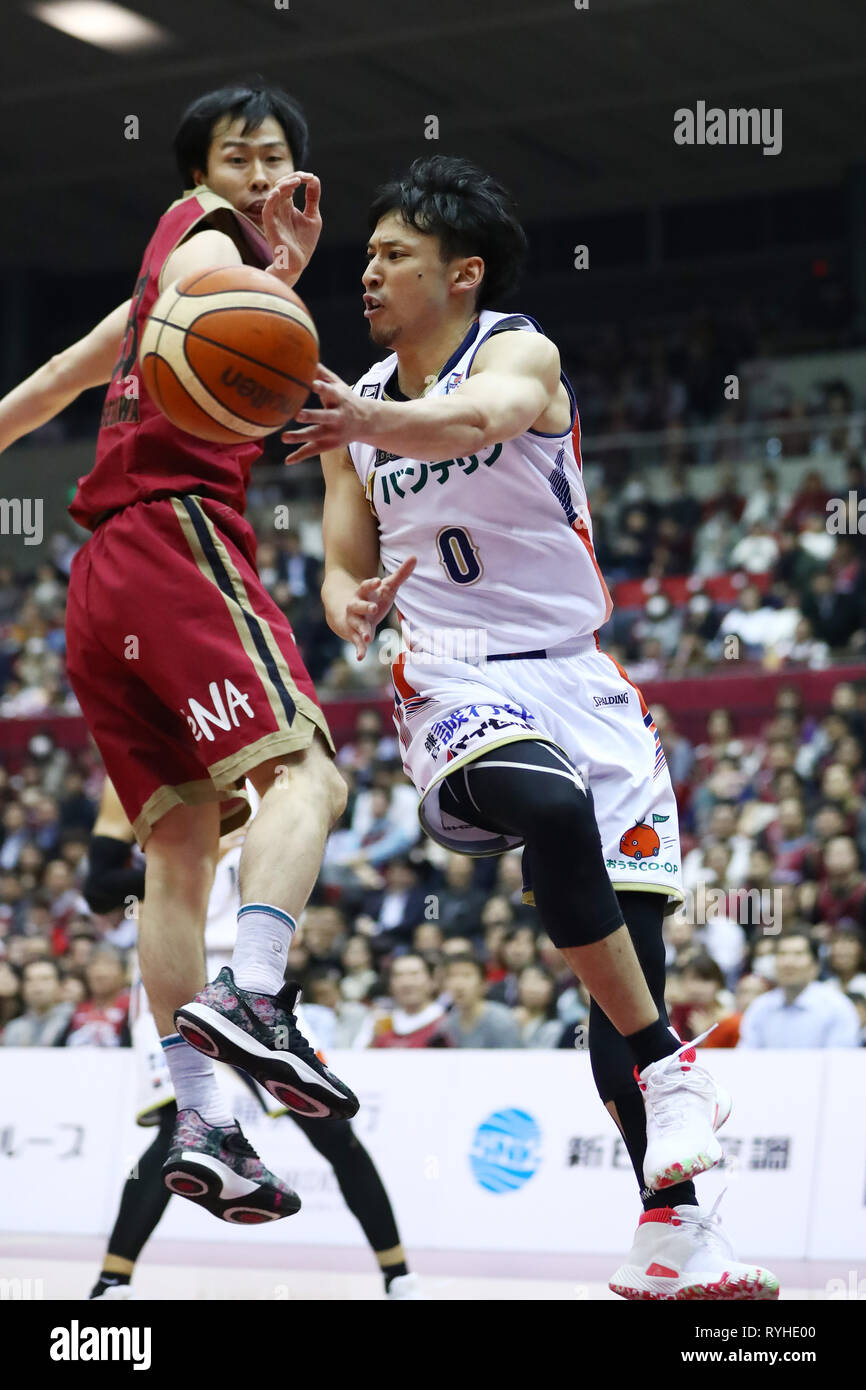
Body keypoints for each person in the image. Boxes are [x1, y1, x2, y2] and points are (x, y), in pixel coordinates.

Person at [290, 153, 776, 1299]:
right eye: (365, 254)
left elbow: (481, 418)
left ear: (459, 273)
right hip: (454, 676)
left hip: (582, 681)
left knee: (630, 964)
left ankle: (670, 1232)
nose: (365, 270)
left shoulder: (515, 350)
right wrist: (343, 603)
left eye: (391, 254)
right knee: (544, 803)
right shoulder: (354, 414)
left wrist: (371, 412)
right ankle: (671, 1070)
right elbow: (340, 557)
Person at [0, 82, 358, 1222]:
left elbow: (56, 384)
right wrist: (274, 288)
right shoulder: (204, 245)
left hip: (98, 576)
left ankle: (203, 1120)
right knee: (308, 773)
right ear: (195, 175)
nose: (259, 176)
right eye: (235, 156)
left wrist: (276, 286)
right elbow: (219, 295)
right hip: (175, 533)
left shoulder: (160, 283)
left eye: (275, 158)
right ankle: (256, 996)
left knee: (180, 850)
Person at [84, 777, 422, 1301]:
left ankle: (399, 1274)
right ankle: (113, 1282)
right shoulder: (137, 771)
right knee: (181, 1129)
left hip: (247, 973)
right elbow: (99, 886)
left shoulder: (272, 763)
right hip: (178, 967)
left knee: (327, 1129)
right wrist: (177, 861)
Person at [739, 933, 861, 1048]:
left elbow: (840, 1061)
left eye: (798, 954)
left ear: (815, 966)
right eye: (782, 954)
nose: (788, 962)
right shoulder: (760, 1008)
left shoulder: (837, 1007)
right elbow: (746, 1058)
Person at [436, 954, 521, 1048]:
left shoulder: (502, 1021)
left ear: (483, 984)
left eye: (466, 976)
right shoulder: (446, 1026)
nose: (458, 984)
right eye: (452, 976)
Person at [367, 953, 448, 1047]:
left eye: (414, 974)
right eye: (399, 975)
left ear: (432, 981)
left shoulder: (445, 1025)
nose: (406, 982)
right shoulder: (382, 1024)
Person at [1, 958, 73, 1047]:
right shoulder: (13, 1029)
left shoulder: (75, 1023)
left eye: (45, 979)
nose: (36, 985)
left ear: (60, 985)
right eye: (29, 980)